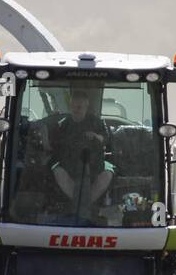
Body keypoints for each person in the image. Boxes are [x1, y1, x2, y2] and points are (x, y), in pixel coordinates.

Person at [29, 87, 113, 222]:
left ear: (86, 106)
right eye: (74, 106)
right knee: (57, 171)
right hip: (69, 166)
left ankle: (81, 206)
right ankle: (84, 207)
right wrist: (44, 136)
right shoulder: (63, 125)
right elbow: (51, 147)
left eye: (79, 106)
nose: (76, 109)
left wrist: (96, 136)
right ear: (70, 106)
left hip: (96, 165)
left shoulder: (96, 122)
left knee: (108, 173)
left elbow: (106, 140)